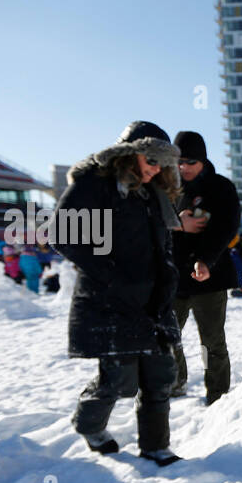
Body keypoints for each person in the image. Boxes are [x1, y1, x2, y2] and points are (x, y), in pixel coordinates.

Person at [51, 120, 183, 465]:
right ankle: (89, 424)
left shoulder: (150, 192)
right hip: (111, 300)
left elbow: (161, 243)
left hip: (153, 298)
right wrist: (111, 276)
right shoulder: (97, 185)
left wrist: (168, 278)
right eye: (151, 161)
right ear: (130, 154)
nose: (157, 170)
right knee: (119, 379)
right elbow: (65, 235)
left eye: (162, 164)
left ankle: (156, 446)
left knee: (160, 377)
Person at [169, 130, 240, 405]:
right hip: (175, 277)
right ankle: (175, 382)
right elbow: (155, 224)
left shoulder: (221, 188)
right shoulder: (170, 189)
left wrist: (206, 260)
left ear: (203, 160)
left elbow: (226, 229)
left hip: (209, 278)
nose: (184, 168)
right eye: (179, 162)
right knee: (167, 335)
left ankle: (217, 393)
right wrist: (177, 222)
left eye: (190, 162)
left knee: (211, 341)